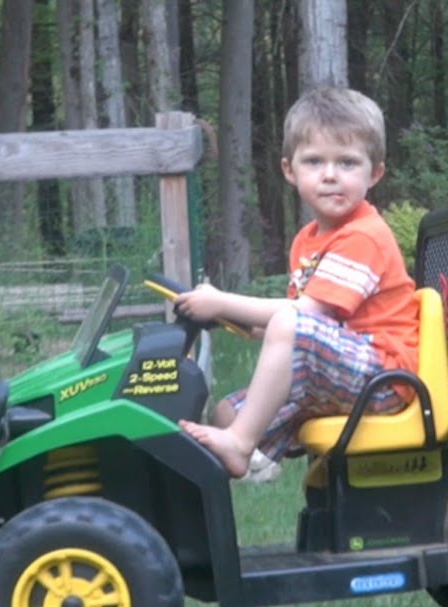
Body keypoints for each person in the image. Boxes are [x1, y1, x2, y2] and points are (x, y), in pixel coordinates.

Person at [174, 86, 419, 478]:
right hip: (338, 367)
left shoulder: (364, 236)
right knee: (225, 413)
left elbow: (301, 317)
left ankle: (240, 443)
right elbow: (292, 331)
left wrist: (221, 301)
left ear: (374, 173)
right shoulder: (308, 239)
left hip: (386, 378)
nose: (330, 175)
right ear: (290, 170)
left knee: (289, 326)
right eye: (314, 161)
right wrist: (229, 320)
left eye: (348, 163)